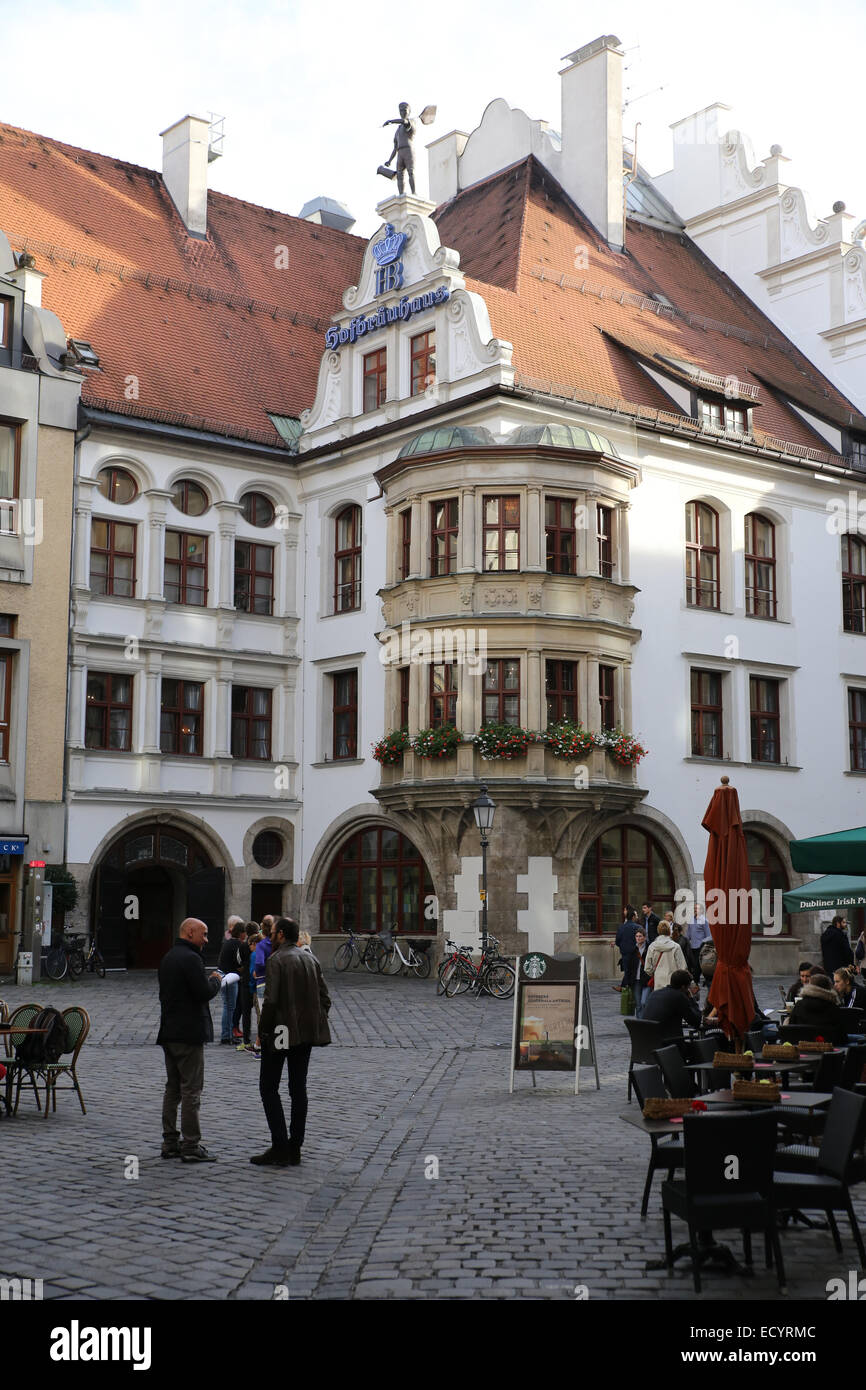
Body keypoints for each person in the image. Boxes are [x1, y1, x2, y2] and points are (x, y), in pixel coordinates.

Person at [252, 917, 332, 1168]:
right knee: (298, 1088)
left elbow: (271, 1002)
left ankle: (280, 1146)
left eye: (273, 933)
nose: (270, 936)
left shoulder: (276, 960)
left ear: (281, 935)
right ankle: (295, 1146)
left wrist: (262, 1032)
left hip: (280, 1031)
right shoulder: (310, 959)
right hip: (305, 1033)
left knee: (269, 1087)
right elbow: (325, 998)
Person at [156, 917, 222, 1163]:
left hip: (169, 1032)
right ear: (190, 932)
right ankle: (191, 1145)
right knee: (191, 1090)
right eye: (204, 934)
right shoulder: (191, 958)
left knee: (172, 1089)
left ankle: (170, 1142)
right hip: (188, 1033)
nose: (206, 940)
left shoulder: (168, 957)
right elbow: (203, 992)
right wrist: (216, 980)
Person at [782, 972, 847, 1044]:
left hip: (802, 1046)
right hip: (828, 1047)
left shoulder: (799, 1005)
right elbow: (842, 1037)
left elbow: (790, 1030)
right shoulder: (834, 1008)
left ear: (810, 986)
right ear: (829, 988)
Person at [640, 969, 702, 1043]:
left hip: (647, 1041)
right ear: (683, 987)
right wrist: (691, 998)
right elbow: (696, 1021)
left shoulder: (654, 993)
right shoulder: (679, 996)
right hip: (667, 1044)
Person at [218, 921, 246, 1045]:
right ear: (241, 933)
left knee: (228, 1007)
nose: (246, 935)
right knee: (229, 1007)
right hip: (230, 977)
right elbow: (238, 964)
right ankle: (226, 1036)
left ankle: (227, 1034)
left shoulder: (228, 942)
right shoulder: (238, 944)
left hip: (223, 975)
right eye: (244, 933)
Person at [643, 920, 688, 991]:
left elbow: (647, 968)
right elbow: (683, 967)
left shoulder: (652, 947)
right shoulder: (676, 946)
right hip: (673, 982)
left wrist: (655, 973)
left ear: (658, 931)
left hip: (658, 982)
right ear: (669, 931)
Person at [684, 904, 712, 984]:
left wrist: (704, 944)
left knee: (698, 967)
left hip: (701, 948)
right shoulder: (691, 920)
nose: (695, 910)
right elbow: (688, 935)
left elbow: (709, 936)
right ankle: (698, 984)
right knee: (694, 967)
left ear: (702, 910)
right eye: (694, 908)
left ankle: (699, 983)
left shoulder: (705, 921)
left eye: (697, 908)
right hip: (692, 948)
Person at [613, 909, 639, 993]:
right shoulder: (637, 927)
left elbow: (617, 941)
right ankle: (630, 990)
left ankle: (625, 989)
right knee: (634, 972)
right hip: (635, 953)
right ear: (633, 917)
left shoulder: (621, 927)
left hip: (625, 953)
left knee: (627, 972)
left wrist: (623, 947)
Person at [627, 928, 650, 1018]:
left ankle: (645, 1020)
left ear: (644, 937)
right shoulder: (633, 949)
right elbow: (629, 966)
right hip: (636, 980)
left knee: (644, 1002)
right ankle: (640, 1023)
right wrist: (627, 980)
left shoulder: (649, 948)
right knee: (638, 1004)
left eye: (640, 936)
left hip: (646, 980)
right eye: (636, 936)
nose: (638, 938)